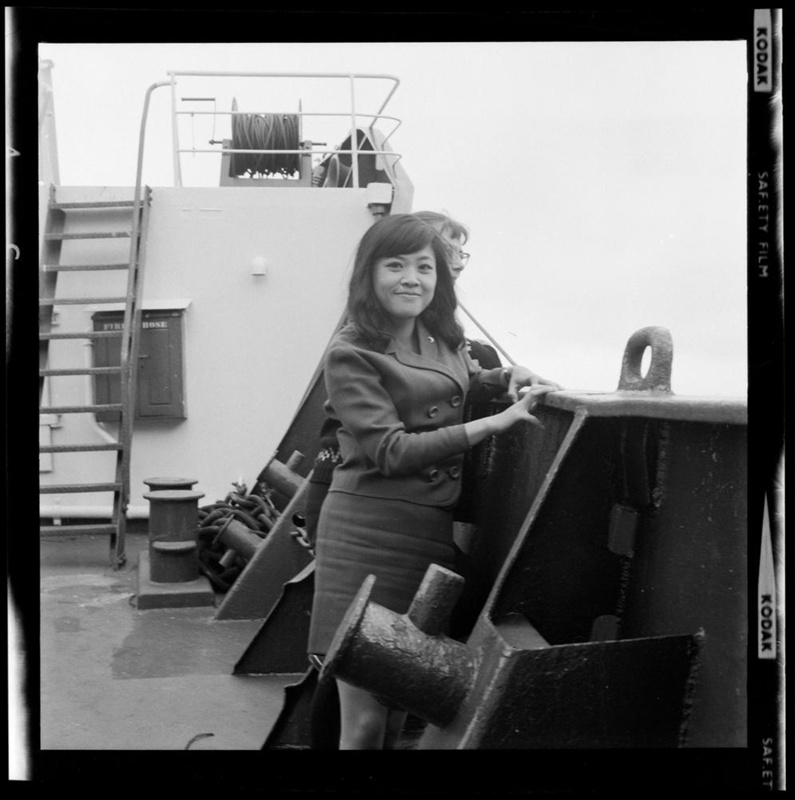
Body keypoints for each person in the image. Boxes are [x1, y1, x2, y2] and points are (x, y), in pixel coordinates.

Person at [307, 213, 559, 749]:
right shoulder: (351, 352)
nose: (411, 279)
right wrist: (492, 423)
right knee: (365, 720)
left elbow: (454, 385)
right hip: (365, 536)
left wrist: (503, 379)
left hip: (425, 534)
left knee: (405, 698)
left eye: (424, 267)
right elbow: (390, 450)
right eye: (395, 265)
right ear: (369, 275)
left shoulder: (441, 336)